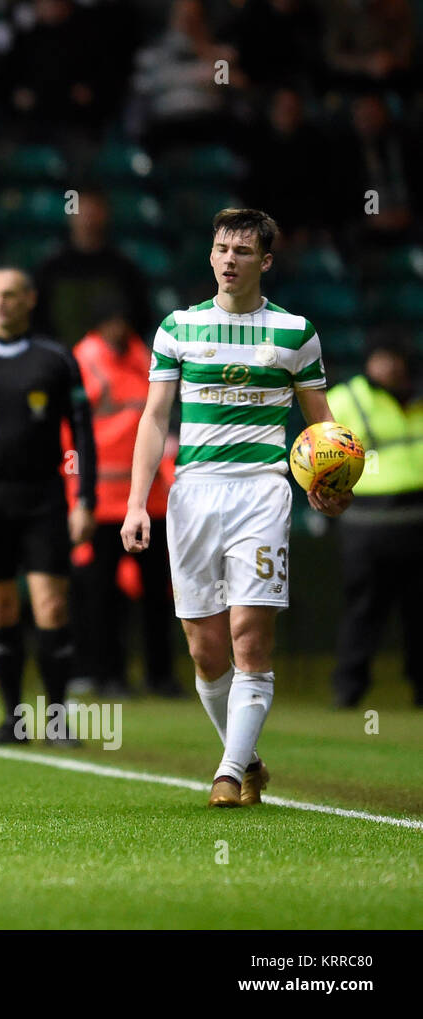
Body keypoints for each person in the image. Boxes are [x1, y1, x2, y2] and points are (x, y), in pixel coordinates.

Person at [122, 208, 352, 809]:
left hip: (261, 492)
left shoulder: (295, 333)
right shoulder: (178, 327)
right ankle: (249, 761)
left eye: (243, 252)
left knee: (250, 637)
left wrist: (330, 483)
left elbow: (320, 426)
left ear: (265, 262)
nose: (229, 260)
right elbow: (153, 419)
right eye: (222, 248)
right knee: (205, 650)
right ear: (210, 256)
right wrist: (135, 504)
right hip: (193, 493)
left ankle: (226, 773)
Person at [0, 267, 96, 743]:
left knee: (51, 607)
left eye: (11, 295)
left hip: (44, 498)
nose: (2, 303)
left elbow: (83, 432)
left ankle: (58, 718)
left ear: (30, 299)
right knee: (0, 608)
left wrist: (85, 499)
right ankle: (13, 720)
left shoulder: (56, 358)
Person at [71, 300, 180, 699]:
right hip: (103, 501)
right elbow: (74, 436)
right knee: (103, 597)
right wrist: (77, 497)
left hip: (150, 500)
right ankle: (107, 674)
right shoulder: (86, 360)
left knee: (159, 595)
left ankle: (160, 675)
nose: (119, 327)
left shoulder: (144, 356)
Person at [326, 333, 423, 708]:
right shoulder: (345, 400)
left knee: (419, 615)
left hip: (417, 523)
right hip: (366, 524)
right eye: (383, 357)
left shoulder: (417, 396)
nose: (391, 366)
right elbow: (318, 453)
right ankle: (348, 691)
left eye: (396, 357)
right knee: (364, 610)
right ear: (368, 362)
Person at [33, 189, 150, 347]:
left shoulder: (124, 269)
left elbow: (141, 319)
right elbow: (37, 323)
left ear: (106, 214)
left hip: (110, 363)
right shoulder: (50, 270)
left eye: (94, 209)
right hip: (61, 361)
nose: (88, 217)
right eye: (81, 209)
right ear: (70, 215)